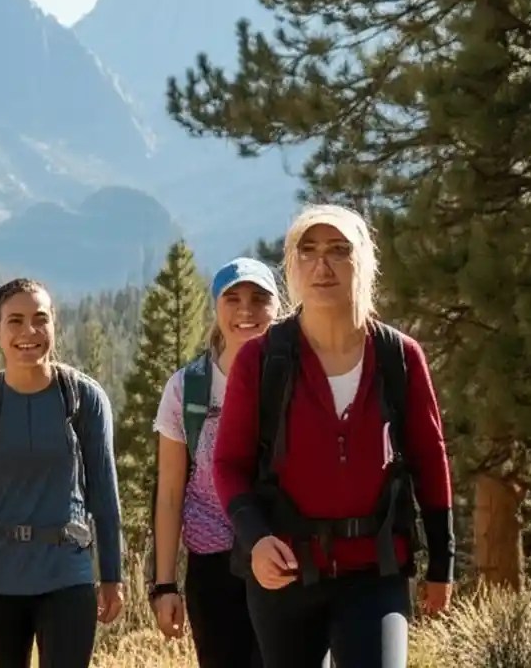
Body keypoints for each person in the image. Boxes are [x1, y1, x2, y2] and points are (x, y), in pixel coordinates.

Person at [213, 204, 455, 668]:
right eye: (308, 251)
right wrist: (256, 538)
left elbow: (429, 457)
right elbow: (229, 463)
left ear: (363, 261)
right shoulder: (263, 360)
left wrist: (442, 563)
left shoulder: (398, 356)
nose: (322, 264)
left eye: (339, 250)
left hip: (375, 570)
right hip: (283, 573)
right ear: (292, 266)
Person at [0, 278, 124, 668]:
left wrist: (112, 575)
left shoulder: (84, 398)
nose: (28, 332)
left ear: (55, 324)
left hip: (68, 573)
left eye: (40, 319)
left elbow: (104, 493)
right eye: (15, 321)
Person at [147, 257, 281, 668]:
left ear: (278, 307)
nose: (246, 310)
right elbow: (170, 493)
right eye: (233, 298)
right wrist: (164, 584)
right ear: (215, 307)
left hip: (285, 554)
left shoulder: (297, 376)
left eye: (259, 298)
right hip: (213, 564)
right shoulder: (187, 388)